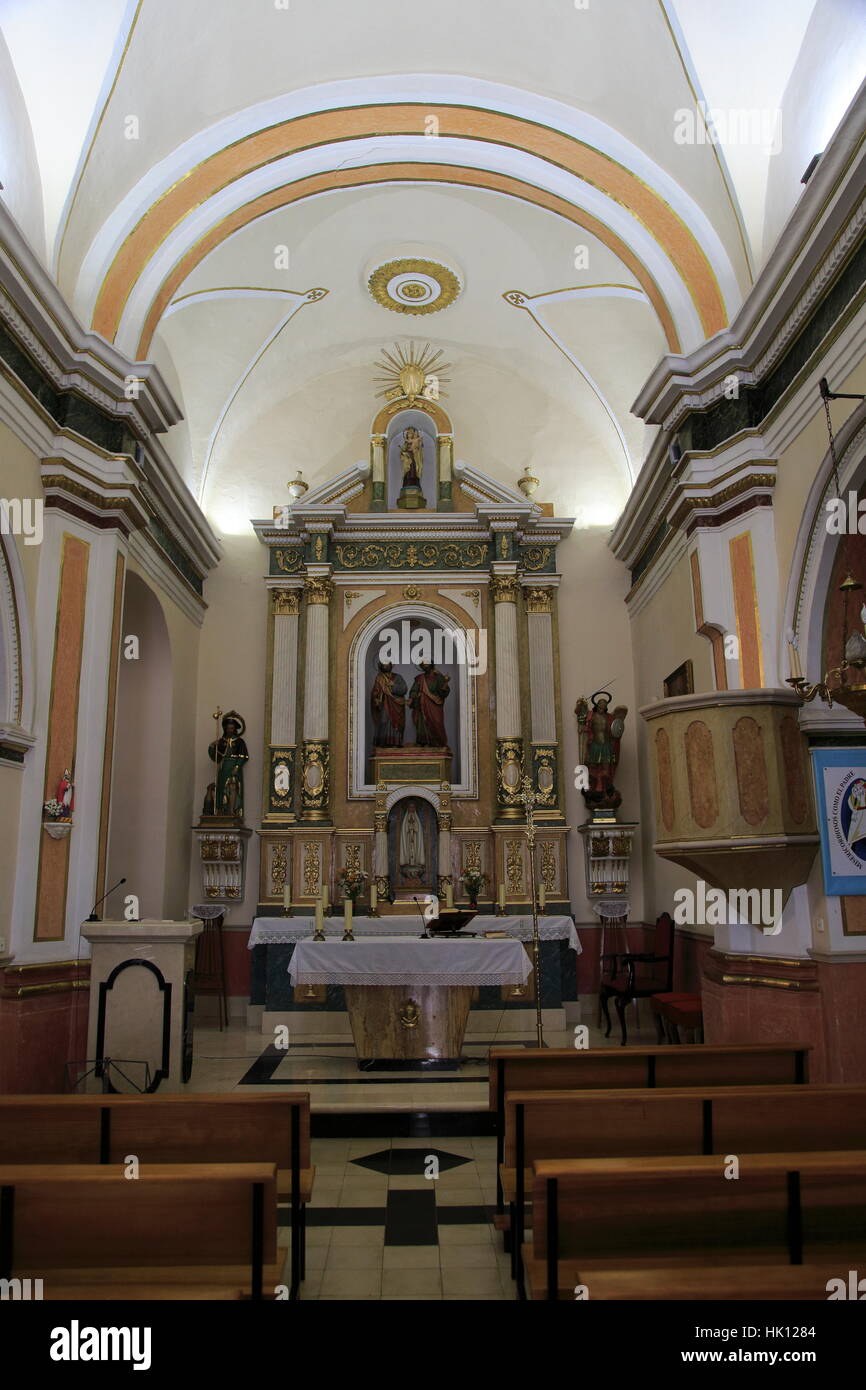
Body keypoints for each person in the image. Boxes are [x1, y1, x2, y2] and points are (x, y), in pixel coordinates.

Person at [208, 711, 249, 818]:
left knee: (233, 786)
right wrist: (212, 746)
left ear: (235, 729)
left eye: (231, 728)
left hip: (234, 767)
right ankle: (221, 810)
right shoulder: (222, 741)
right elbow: (216, 757)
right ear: (225, 729)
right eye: (228, 728)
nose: (229, 730)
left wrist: (236, 767)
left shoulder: (240, 742)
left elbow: (243, 756)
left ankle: (232, 810)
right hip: (224, 766)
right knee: (222, 787)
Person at [408, 662, 450, 746]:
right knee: (422, 723)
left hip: (435, 705)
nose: (425, 666)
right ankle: (423, 742)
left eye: (427, 664)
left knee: (437, 722)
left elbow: (444, 693)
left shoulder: (438, 677)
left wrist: (445, 683)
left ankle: (438, 743)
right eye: (423, 665)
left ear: (431, 664)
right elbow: (413, 690)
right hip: (422, 705)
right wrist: (413, 697)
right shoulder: (420, 678)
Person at [370, 660, 407, 746]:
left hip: (397, 704)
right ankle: (384, 743)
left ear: (391, 666)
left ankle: (396, 743)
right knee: (383, 721)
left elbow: (404, 689)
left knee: (397, 724)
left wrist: (393, 685)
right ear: (381, 667)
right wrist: (375, 698)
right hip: (385, 704)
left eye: (387, 665)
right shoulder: (379, 678)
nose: (386, 667)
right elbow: (375, 691)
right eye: (384, 665)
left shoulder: (398, 677)